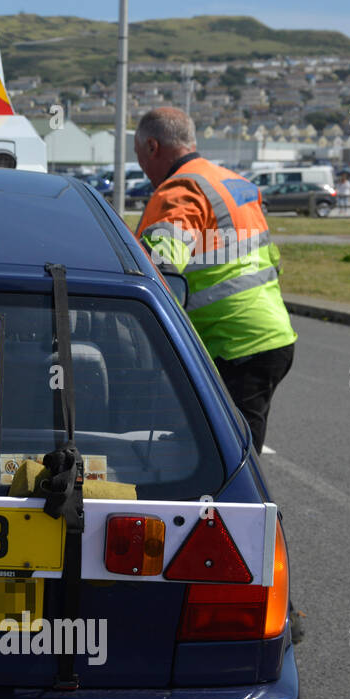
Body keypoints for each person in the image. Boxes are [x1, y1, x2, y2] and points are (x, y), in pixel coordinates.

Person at [134, 107, 296, 455]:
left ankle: (241, 509)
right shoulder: (233, 184)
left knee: (232, 460)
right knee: (228, 447)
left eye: (139, 157)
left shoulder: (179, 191)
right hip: (269, 334)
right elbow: (268, 260)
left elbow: (159, 270)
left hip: (233, 344)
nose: (142, 169)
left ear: (152, 146)